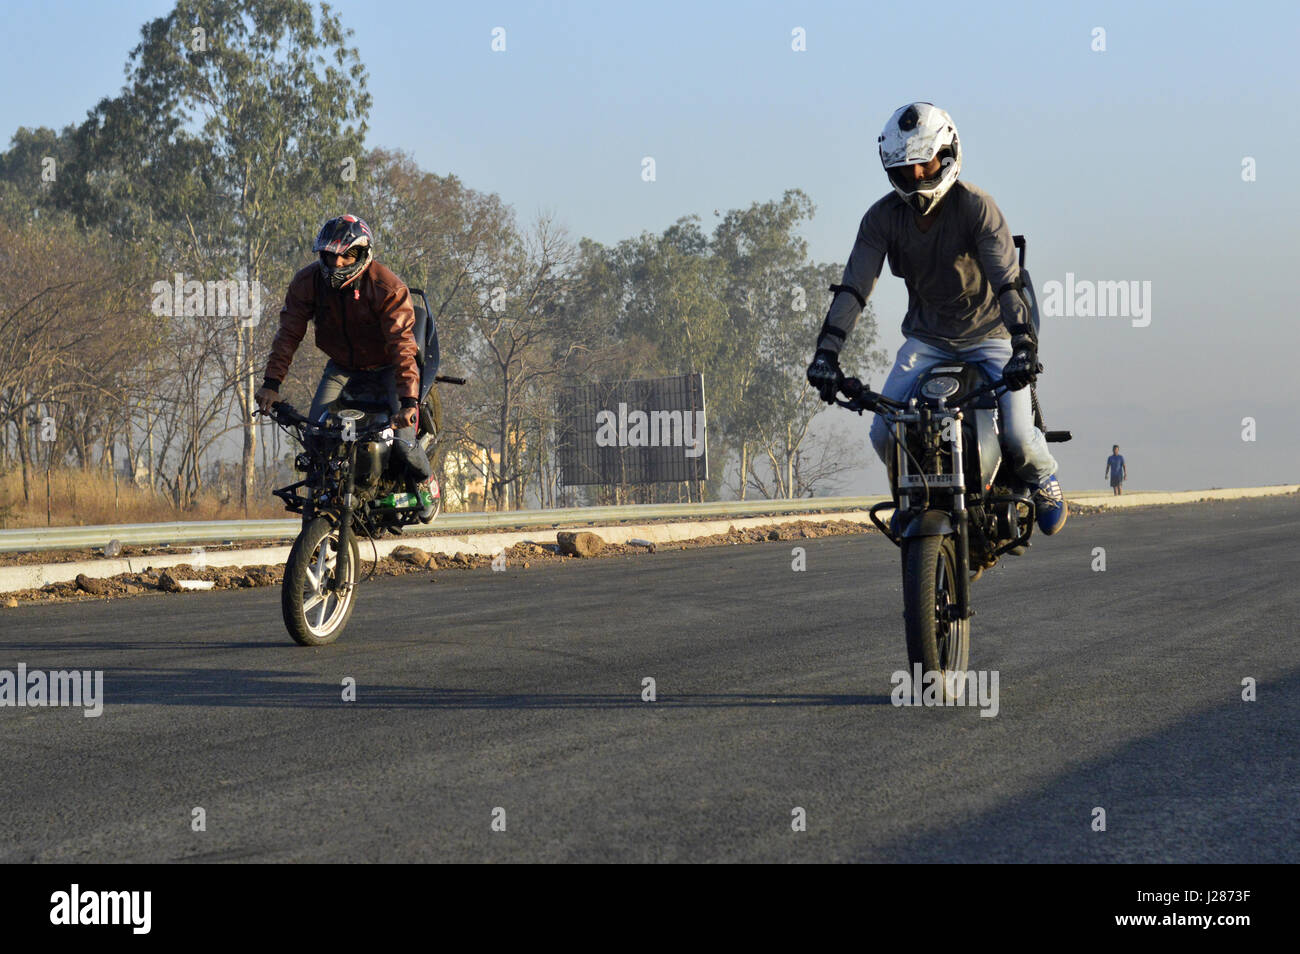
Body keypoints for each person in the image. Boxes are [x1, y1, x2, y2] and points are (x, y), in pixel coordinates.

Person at [806, 102, 1066, 534]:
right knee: (882, 434)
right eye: (906, 171)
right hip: (926, 340)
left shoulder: (978, 207)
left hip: (992, 335)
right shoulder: (881, 219)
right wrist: (825, 355)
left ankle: (1044, 479)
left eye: (924, 166)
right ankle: (915, 498)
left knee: (1019, 438)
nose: (917, 178)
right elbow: (854, 287)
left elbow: (1006, 280)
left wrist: (1022, 343)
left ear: (947, 155)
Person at [254, 214, 437, 521]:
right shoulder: (307, 282)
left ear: (363, 255)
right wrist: (271, 383)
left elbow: (402, 348)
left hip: (387, 367)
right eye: (330, 256)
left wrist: (408, 402)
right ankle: (322, 505)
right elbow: (288, 334)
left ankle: (427, 482)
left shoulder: (387, 287)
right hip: (342, 367)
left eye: (347, 255)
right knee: (315, 436)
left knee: (404, 443)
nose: (337, 263)